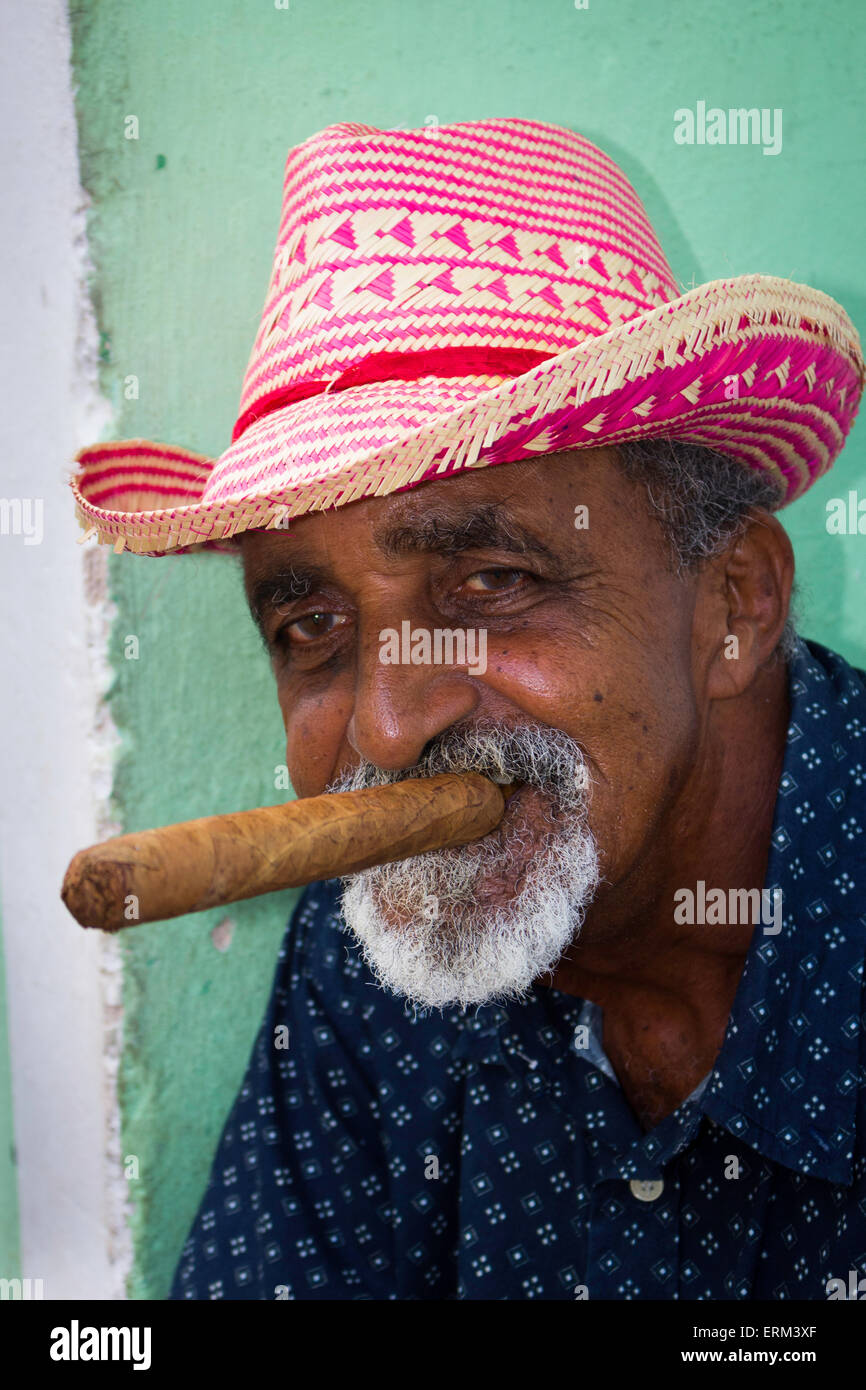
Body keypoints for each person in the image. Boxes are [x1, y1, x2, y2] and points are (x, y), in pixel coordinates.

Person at [70, 118, 866, 1300]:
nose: (384, 731)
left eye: (490, 582)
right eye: (311, 629)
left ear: (733, 603)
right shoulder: (386, 937)